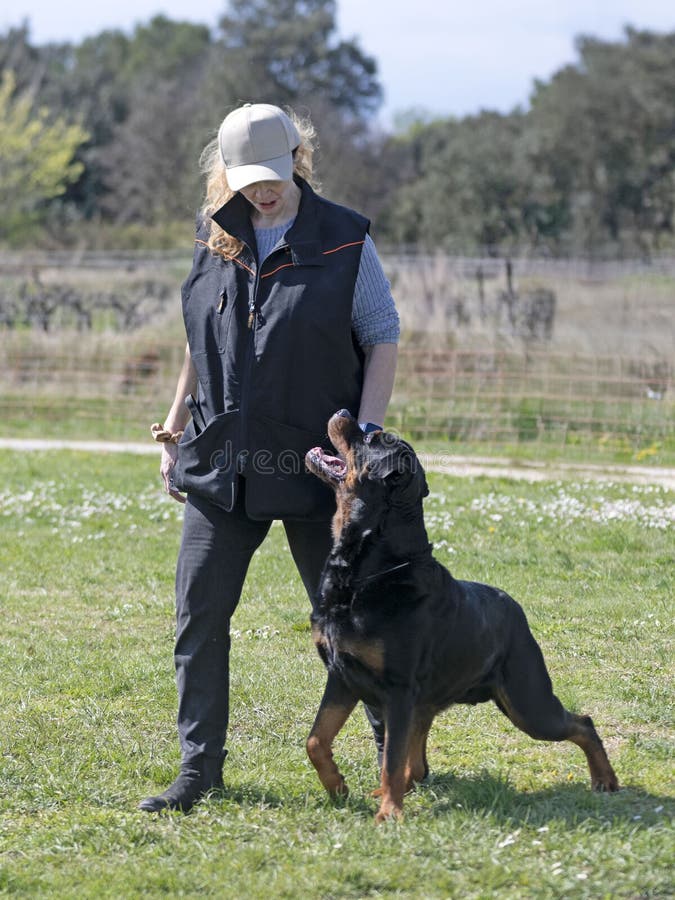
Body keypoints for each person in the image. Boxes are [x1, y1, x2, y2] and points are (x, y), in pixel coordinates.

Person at [139, 103, 400, 813]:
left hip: (319, 470)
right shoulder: (215, 236)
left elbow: (381, 335)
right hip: (223, 466)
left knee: (348, 621)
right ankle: (199, 769)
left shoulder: (344, 239)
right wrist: (172, 425)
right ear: (225, 171)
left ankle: (392, 757)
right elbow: (201, 340)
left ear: (297, 157)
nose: (263, 190)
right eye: (247, 178)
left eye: (273, 175)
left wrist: (364, 442)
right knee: (197, 615)